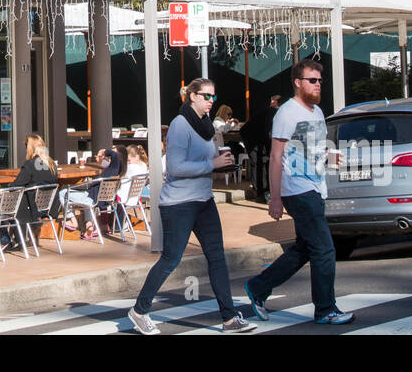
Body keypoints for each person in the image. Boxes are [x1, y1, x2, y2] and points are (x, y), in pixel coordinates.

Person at [126, 78, 256, 335]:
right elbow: (175, 168)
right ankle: (139, 311)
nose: (211, 101)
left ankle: (229, 319)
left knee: (217, 258)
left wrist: (220, 159)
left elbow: (203, 159)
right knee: (171, 259)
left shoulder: (205, 125)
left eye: (213, 97)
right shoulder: (180, 125)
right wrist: (212, 165)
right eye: (206, 96)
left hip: (203, 200)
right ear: (192, 96)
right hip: (179, 203)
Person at [243, 59, 354, 326]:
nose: (317, 85)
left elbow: (310, 149)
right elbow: (276, 156)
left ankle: (258, 287)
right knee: (325, 249)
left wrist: (328, 158)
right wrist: (276, 197)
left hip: (316, 187)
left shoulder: (316, 112)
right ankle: (326, 309)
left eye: (319, 81)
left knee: (306, 248)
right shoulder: (286, 113)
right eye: (312, 80)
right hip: (298, 189)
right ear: (297, 82)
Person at [0, 133, 58, 250]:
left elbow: (17, 185)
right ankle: (18, 239)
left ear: (30, 148)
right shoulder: (52, 165)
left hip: (30, 207)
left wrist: (4, 187)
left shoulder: (30, 165)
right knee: (15, 204)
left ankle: (5, 240)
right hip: (46, 207)